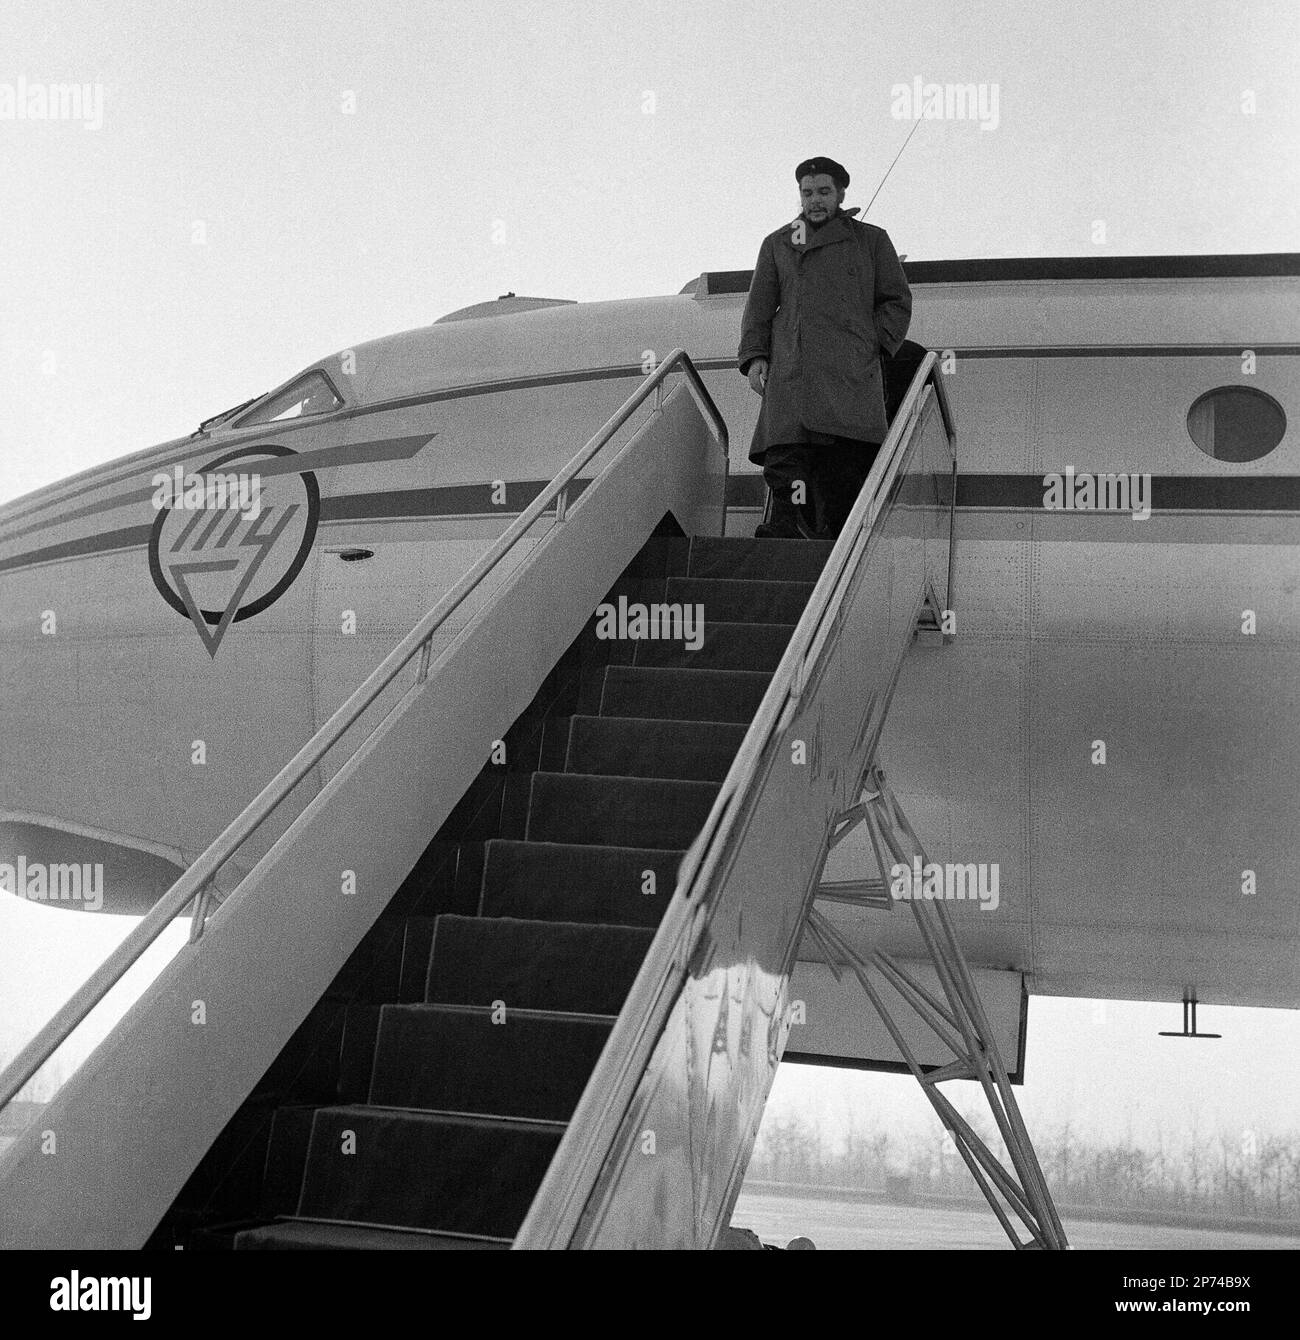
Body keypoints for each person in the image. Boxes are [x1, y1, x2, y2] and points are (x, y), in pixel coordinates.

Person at [738, 156, 912, 539]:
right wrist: (755, 358)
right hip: (793, 367)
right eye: (807, 193)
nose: (815, 200)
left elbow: (896, 300)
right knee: (787, 452)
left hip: (849, 370)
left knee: (844, 459)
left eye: (823, 192)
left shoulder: (871, 240)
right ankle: (786, 525)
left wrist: (872, 345)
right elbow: (759, 308)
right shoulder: (778, 243)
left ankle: (836, 534)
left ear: (841, 193)